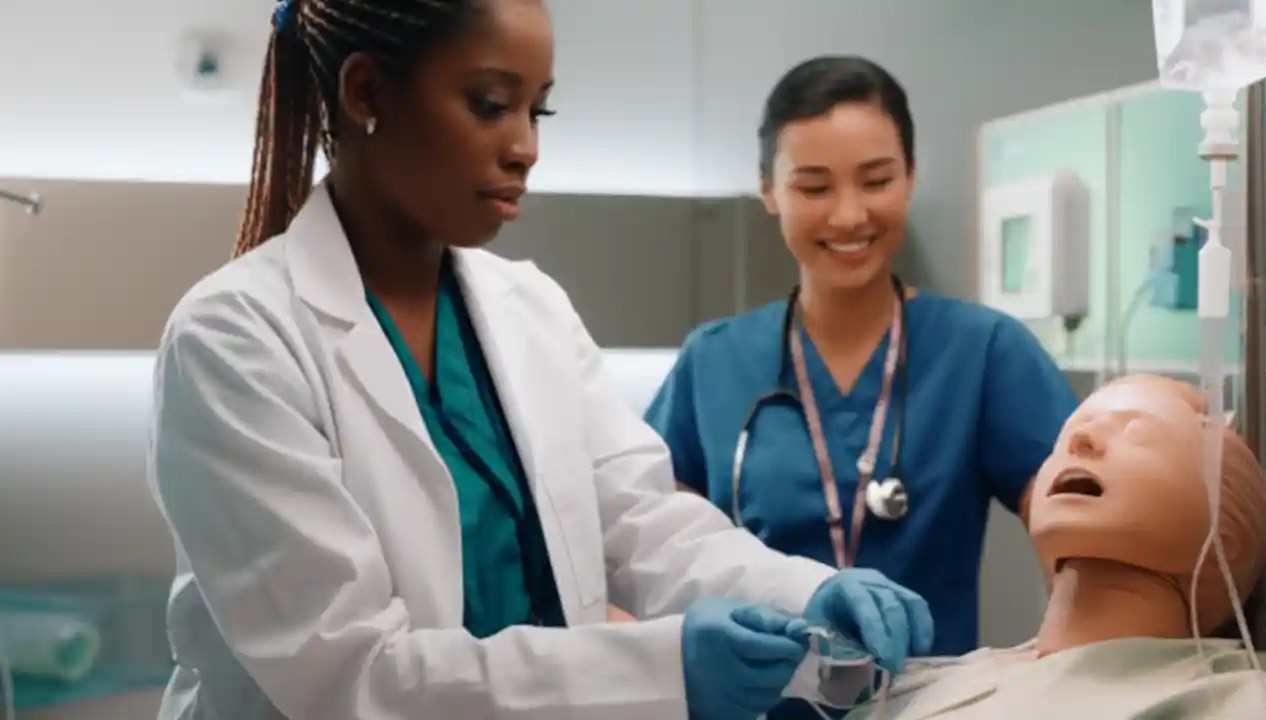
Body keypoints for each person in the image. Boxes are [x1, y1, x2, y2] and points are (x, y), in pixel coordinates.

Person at [143, 3, 934, 720]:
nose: (526, 146)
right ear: (366, 94)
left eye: (537, 107)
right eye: (490, 104)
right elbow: (349, 677)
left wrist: (808, 591)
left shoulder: (530, 308)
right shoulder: (234, 339)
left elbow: (643, 522)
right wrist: (663, 668)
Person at [645, 55, 1079, 672]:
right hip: (755, 705)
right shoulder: (711, 364)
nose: (849, 215)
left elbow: (1081, 531)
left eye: (876, 181)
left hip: (929, 706)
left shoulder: (983, 353)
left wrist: (1067, 672)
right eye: (815, 187)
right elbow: (642, 548)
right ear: (769, 190)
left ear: (911, 175)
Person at [838, 374, 1266, 719]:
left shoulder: (1231, 704)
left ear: (1227, 542)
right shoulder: (920, 685)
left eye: (1137, 434)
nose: (1078, 442)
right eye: (1067, 435)